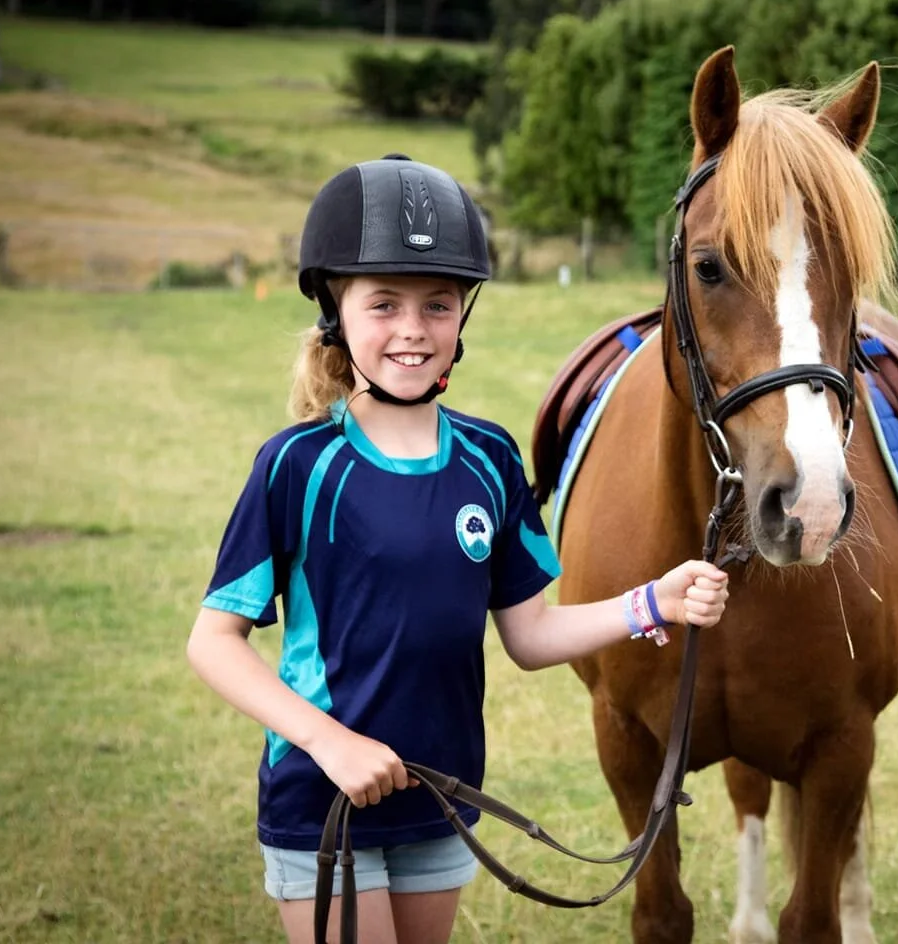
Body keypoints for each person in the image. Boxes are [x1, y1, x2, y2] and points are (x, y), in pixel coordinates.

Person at [186, 154, 729, 944]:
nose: (413, 329)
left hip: (442, 802)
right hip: (323, 797)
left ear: (462, 317)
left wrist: (654, 600)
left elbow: (532, 636)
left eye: (438, 304)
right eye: (385, 305)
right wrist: (331, 745)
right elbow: (214, 642)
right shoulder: (297, 466)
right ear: (337, 311)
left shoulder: (491, 458)